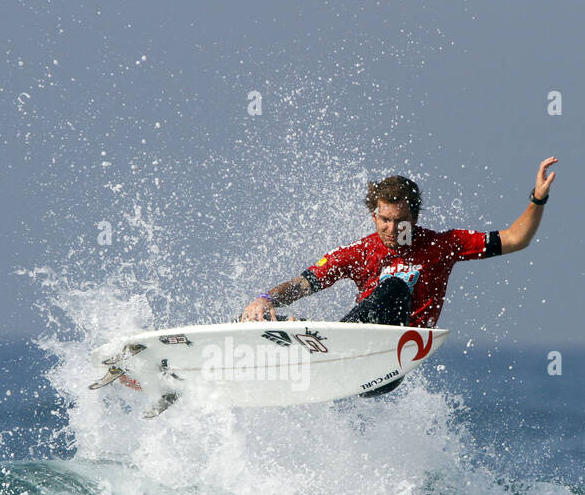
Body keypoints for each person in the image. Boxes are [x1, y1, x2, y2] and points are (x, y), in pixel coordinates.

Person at [238, 158, 556, 394]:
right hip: (349, 360)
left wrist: (537, 198)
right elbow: (303, 283)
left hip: (388, 364)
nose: (392, 229)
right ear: (374, 215)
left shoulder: (442, 245)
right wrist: (265, 299)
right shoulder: (359, 252)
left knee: (395, 286)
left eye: (400, 221)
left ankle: (323, 345)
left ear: (414, 217)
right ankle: (271, 348)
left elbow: (516, 238)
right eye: (384, 220)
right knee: (263, 314)